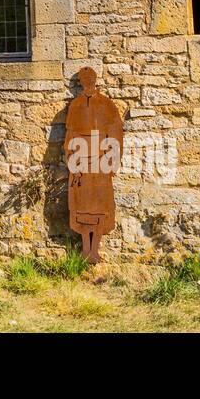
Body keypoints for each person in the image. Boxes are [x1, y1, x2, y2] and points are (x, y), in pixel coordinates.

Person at [63, 67, 123, 262]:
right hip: (80, 161)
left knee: (100, 207)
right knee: (81, 207)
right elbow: (70, 133)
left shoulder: (107, 104)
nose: (87, 81)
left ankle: (94, 250)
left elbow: (115, 132)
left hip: (100, 161)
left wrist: (112, 158)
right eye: (84, 78)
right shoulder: (75, 105)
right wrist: (72, 159)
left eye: (90, 78)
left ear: (95, 80)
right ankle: (85, 250)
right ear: (80, 82)